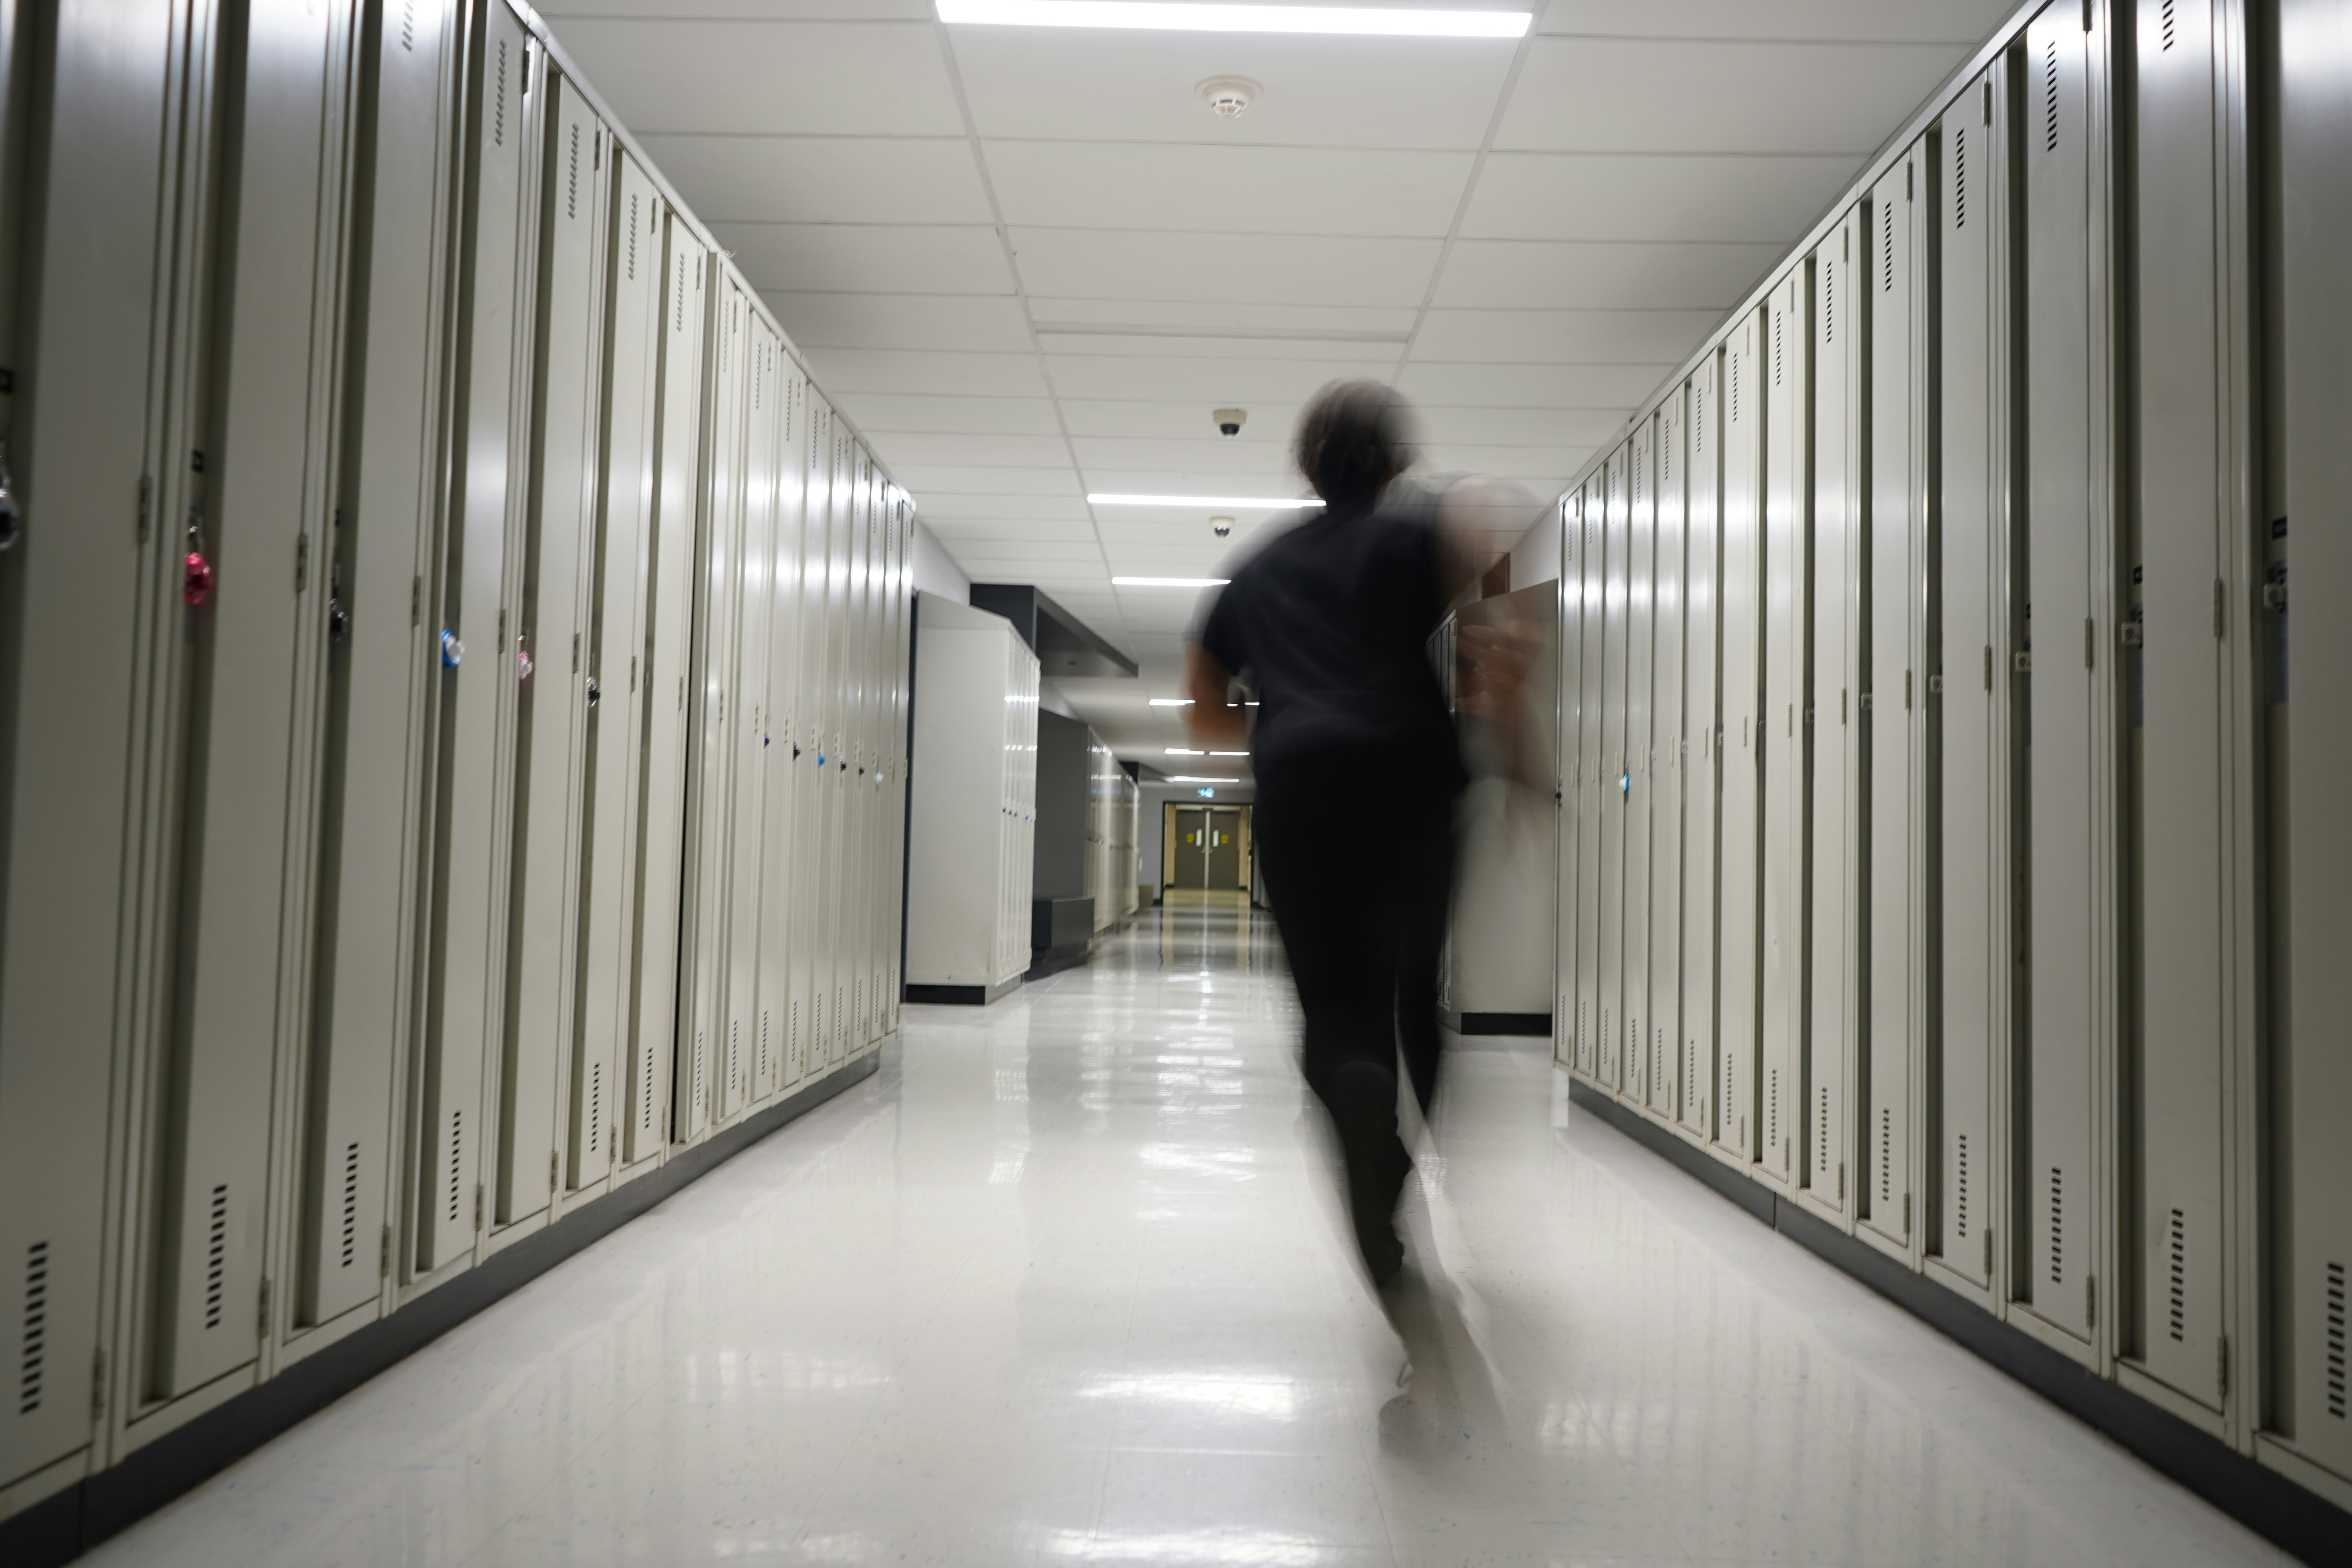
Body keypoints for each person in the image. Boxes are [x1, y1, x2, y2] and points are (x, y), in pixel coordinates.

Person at [1185, 379, 1523, 1287]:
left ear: (1306, 465)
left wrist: (1281, 702)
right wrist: (1508, 737)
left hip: (1303, 789)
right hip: (1411, 783)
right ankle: (1398, 1166)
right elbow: (1497, 622)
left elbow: (1205, 712)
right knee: (1415, 982)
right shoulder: (1420, 539)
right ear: (1393, 463)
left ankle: (1359, 1104)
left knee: (1337, 1010)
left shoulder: (1255, 569)